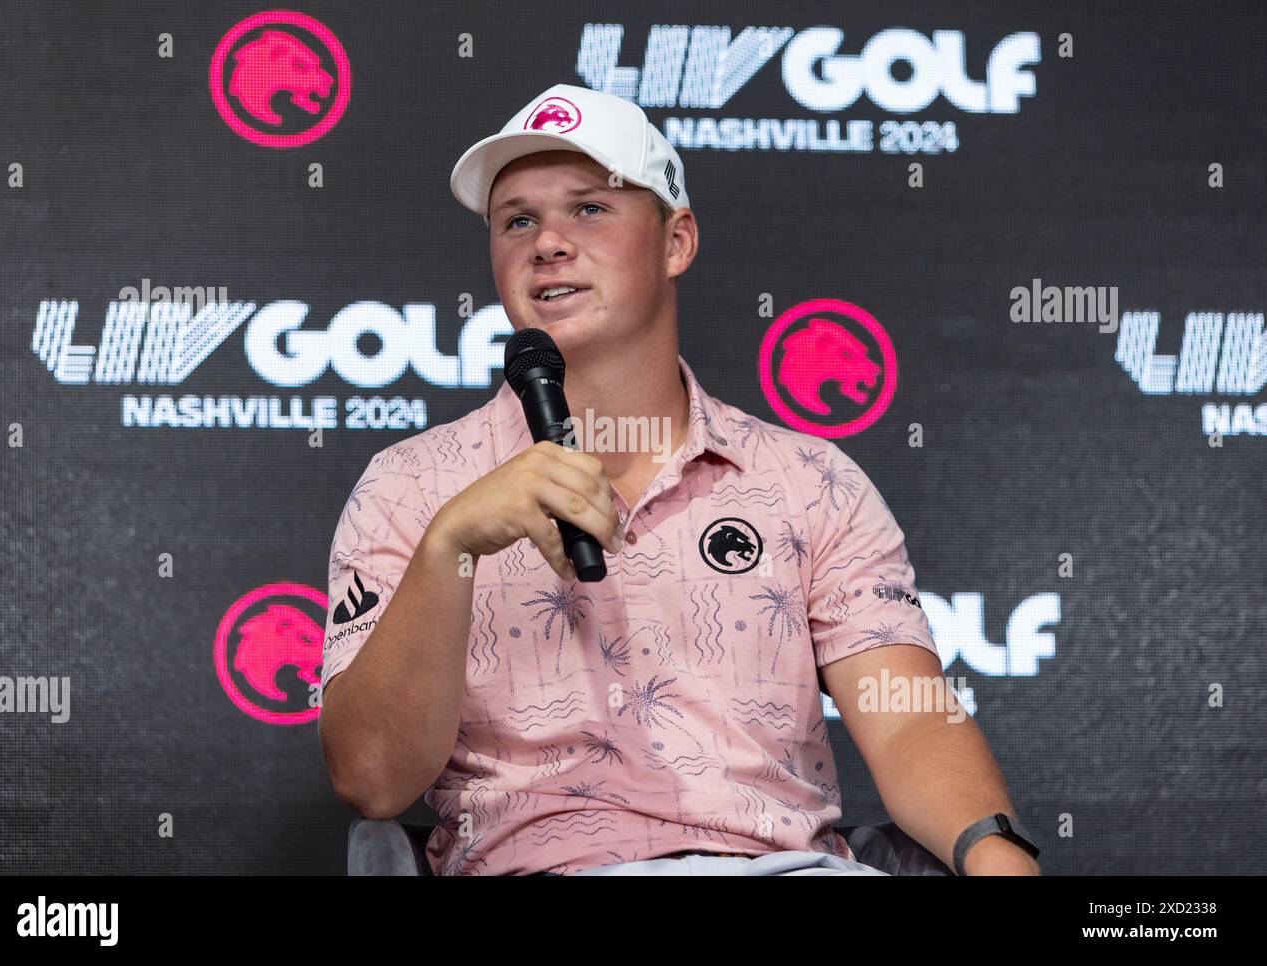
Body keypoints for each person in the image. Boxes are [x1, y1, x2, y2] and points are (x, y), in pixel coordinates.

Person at [318, 84, 1040, 877]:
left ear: (676, 242)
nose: (548, 242)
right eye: (517, 219)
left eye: (589, 208)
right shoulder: (414, 486)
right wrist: (450, 546)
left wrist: (997, 856)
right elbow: (373, 780)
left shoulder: (808, 479)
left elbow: (908, 723)